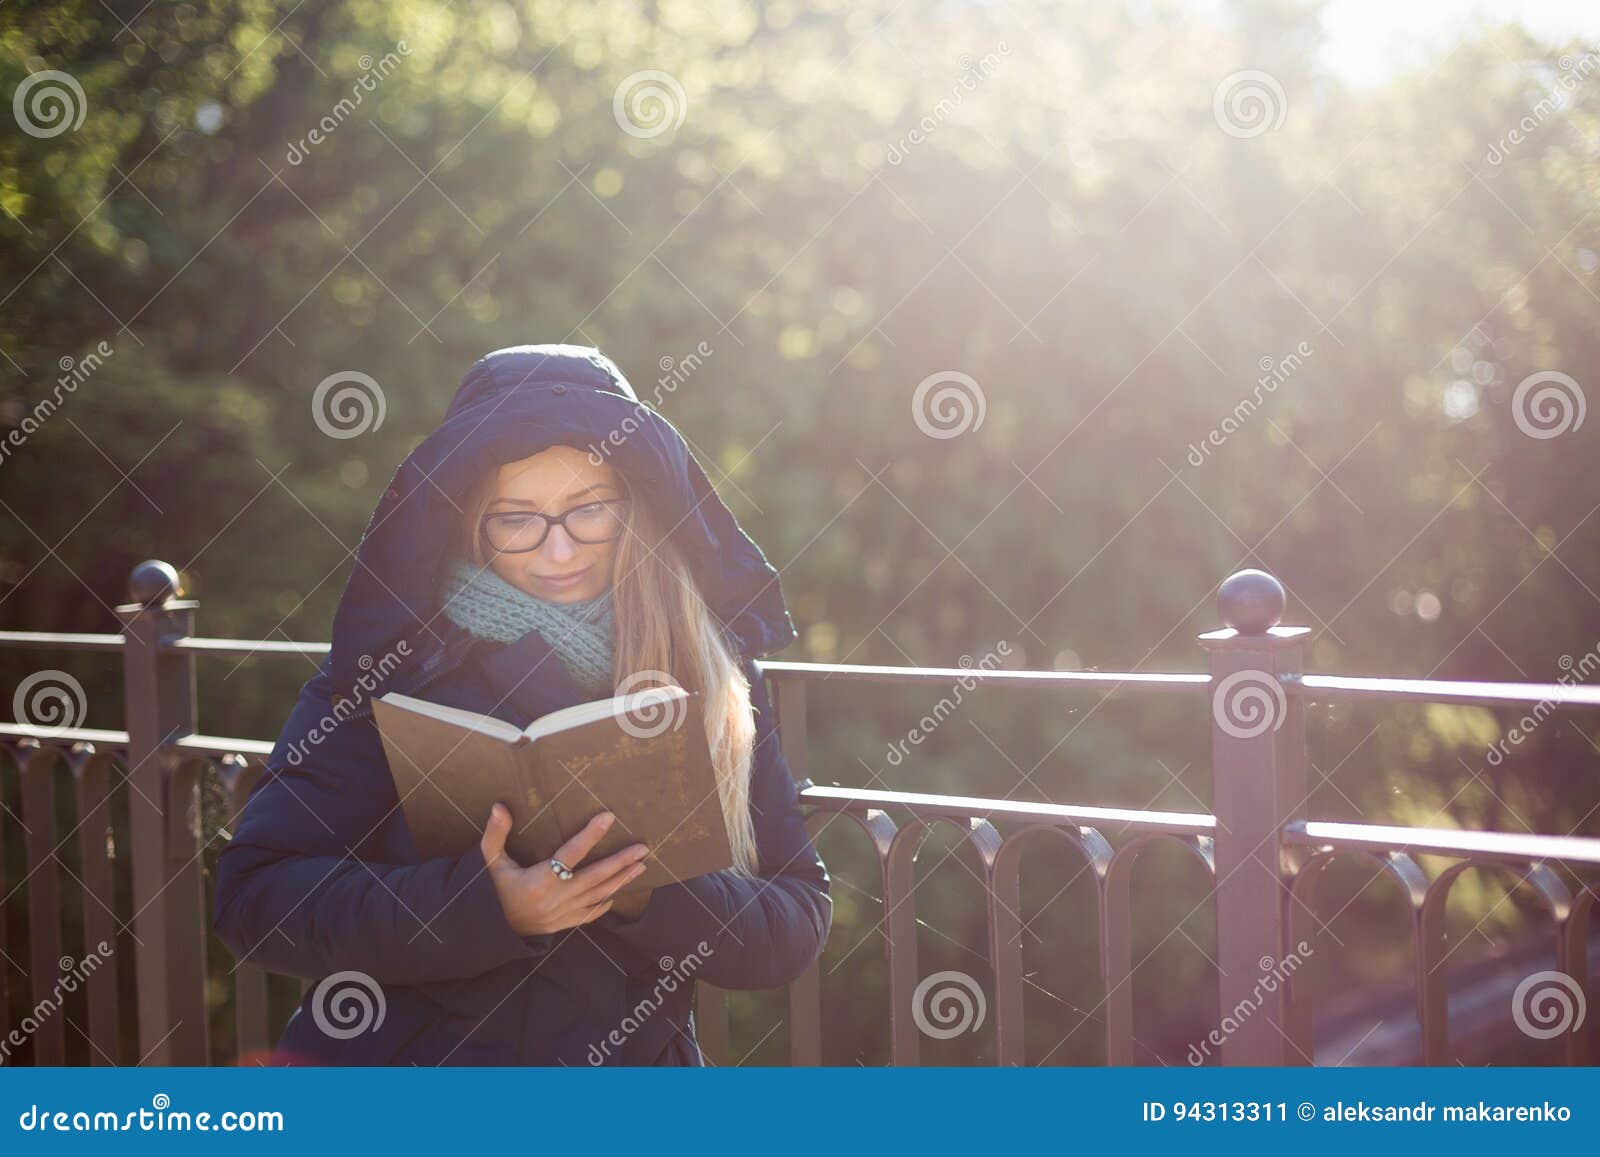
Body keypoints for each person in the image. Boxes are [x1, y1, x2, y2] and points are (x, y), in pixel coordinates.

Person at [212, 344, 831, 1065]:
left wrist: (645, 895)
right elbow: (255, 899)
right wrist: (484, 907)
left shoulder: (712, 664)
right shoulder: (392, 661)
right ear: (467, 521)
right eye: (516, 519)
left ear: (637, 506)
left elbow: (795, 920)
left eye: (589, 510)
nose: (559, 552)